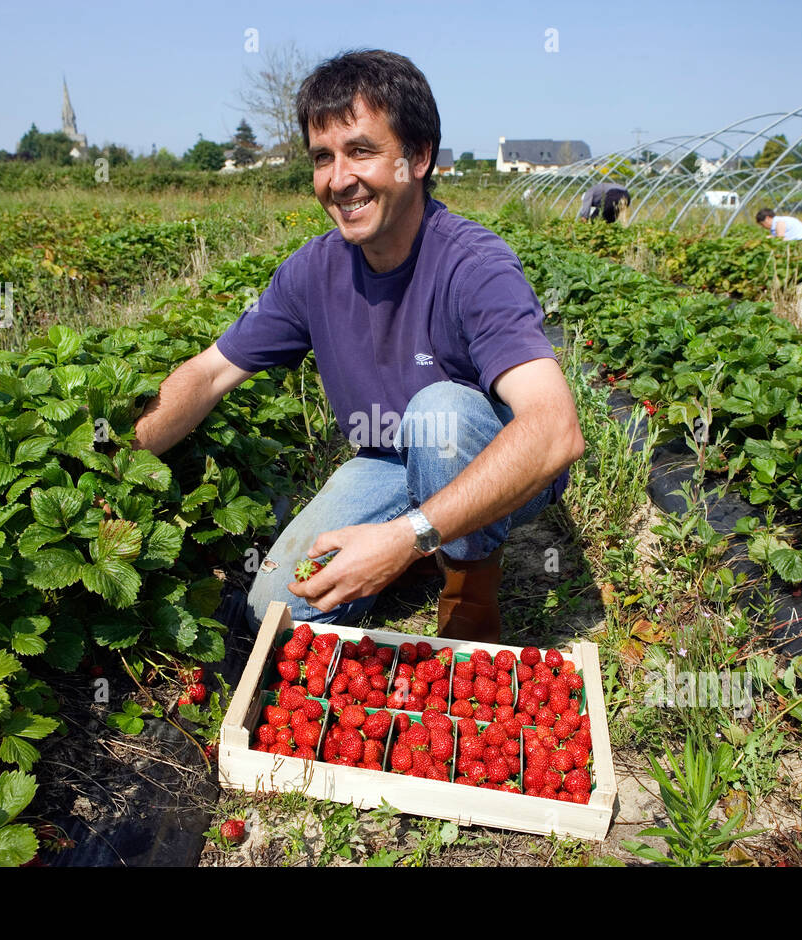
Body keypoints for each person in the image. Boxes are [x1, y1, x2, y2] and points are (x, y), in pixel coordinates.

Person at [132, 50, 584, 641]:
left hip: (485, 459)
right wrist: (119, 458)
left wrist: (406, 538)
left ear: (418, 158)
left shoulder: (474, 265)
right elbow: (211, 374)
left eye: (361, 151)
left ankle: (467, 596)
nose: (339, 179)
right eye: (324, 157)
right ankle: (414, 547)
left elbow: (555, 431)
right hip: (386, 461)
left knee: (439, 415)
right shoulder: (313, 272)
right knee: (276, 610)